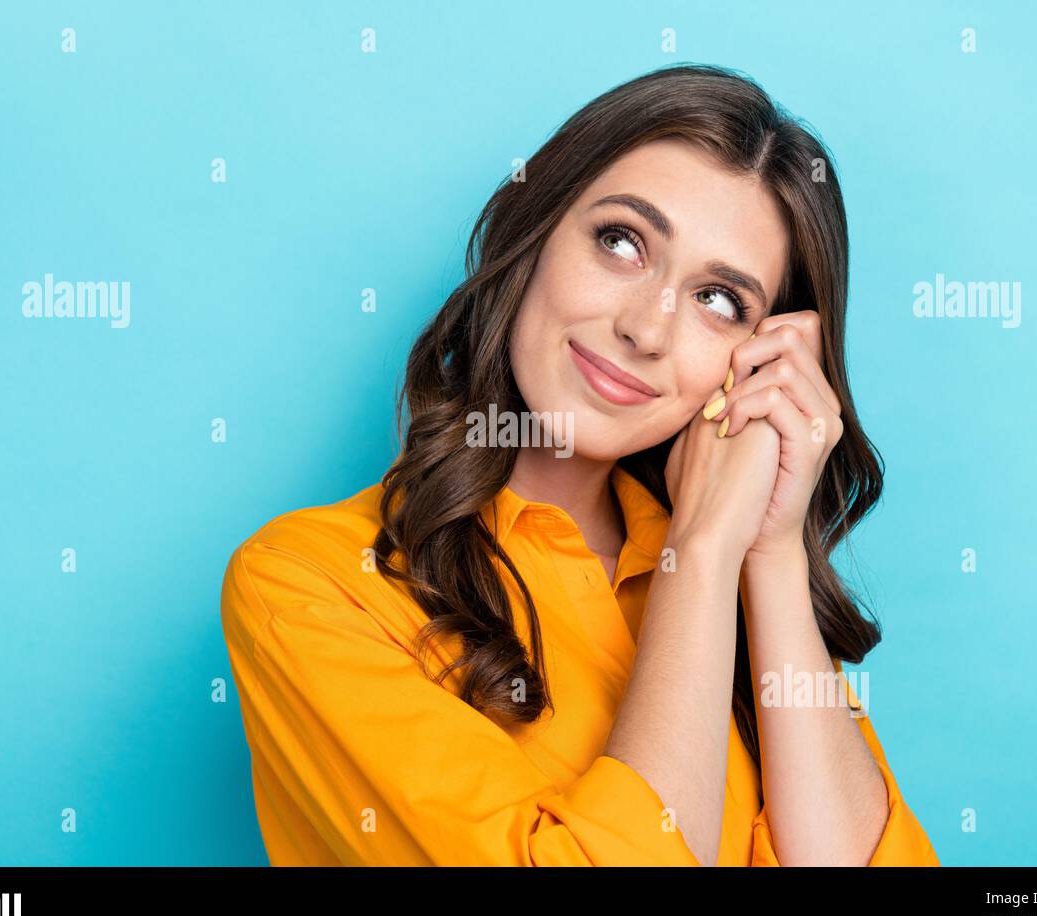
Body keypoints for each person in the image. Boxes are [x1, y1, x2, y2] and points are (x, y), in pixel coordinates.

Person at [220, 63, 940, 866]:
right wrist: (699, 563)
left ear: (763, 359)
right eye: (622, 242)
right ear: (531, 238)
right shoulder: (311, 585)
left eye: (719, 300)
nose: (645, 327)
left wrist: (762, 548)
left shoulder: (745, 593)